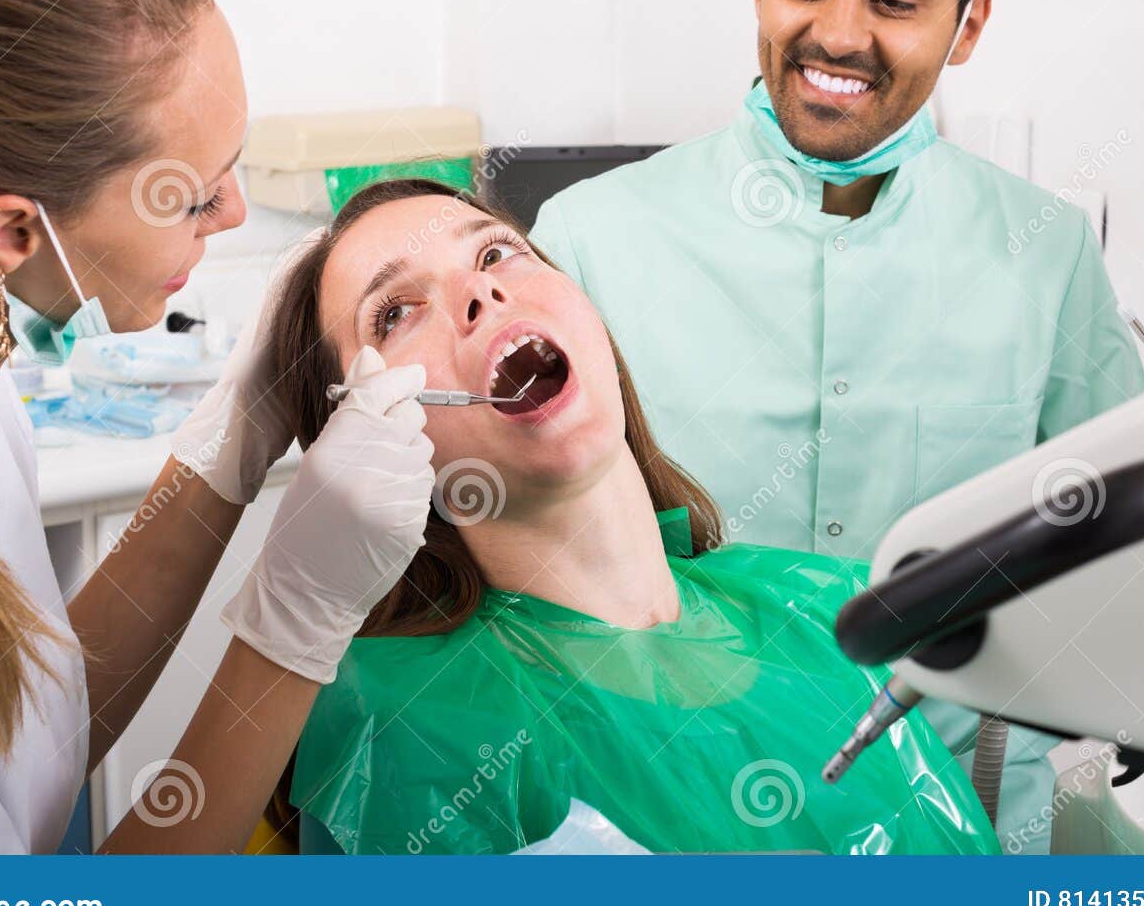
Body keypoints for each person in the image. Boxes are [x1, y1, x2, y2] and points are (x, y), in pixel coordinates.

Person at [526, 0, 1144, 853]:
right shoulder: (590, 239)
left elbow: (1113, 558)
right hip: (667, 826)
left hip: (965, 831)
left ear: (969, 24)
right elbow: (528, 567)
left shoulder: (1043, 253)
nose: (839, 33)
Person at [0, 0, 433, 853]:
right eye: (192, 197)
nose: (235, 212)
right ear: (10, 233)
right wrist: (292, 629)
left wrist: (228, 445)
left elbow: (34, 728)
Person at [260, 179, 998, 856]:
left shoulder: (826, 609)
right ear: (365, 441)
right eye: (394, 313)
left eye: (494, 252)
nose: (479, 291)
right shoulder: (406, 728)